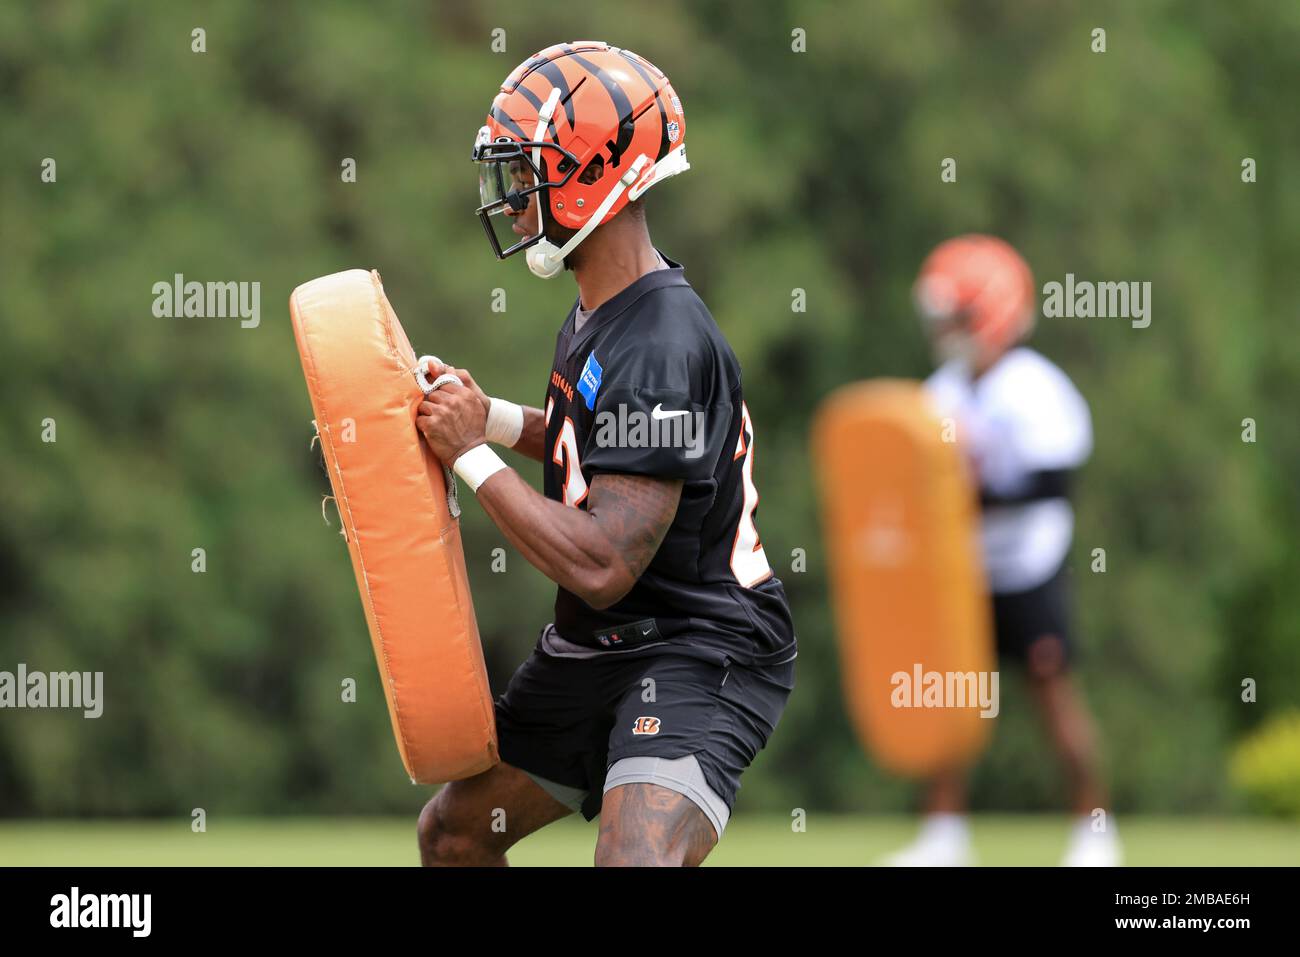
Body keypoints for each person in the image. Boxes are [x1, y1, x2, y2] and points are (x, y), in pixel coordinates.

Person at [414, 42, 796, 867]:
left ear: (594, 173)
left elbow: (602, 560)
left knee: (634, 861)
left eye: (529, 172)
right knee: (454, 836)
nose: (514, 197)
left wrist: (468, 459)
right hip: (603, 642)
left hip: (695, 642)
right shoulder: (605, 304)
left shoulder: (659, 340)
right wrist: (487, 420)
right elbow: (590, 445)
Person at [887, 234, 1119, 867]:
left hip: (1027, 566)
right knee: (949, 702)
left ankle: (1094, 832)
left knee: (1053, 697)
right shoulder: (941, 392)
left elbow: (1052, 484)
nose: (948, 330)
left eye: (958, 315)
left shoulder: (1036, 390)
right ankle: (943, 836)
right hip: (962, 573)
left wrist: (966, 498)